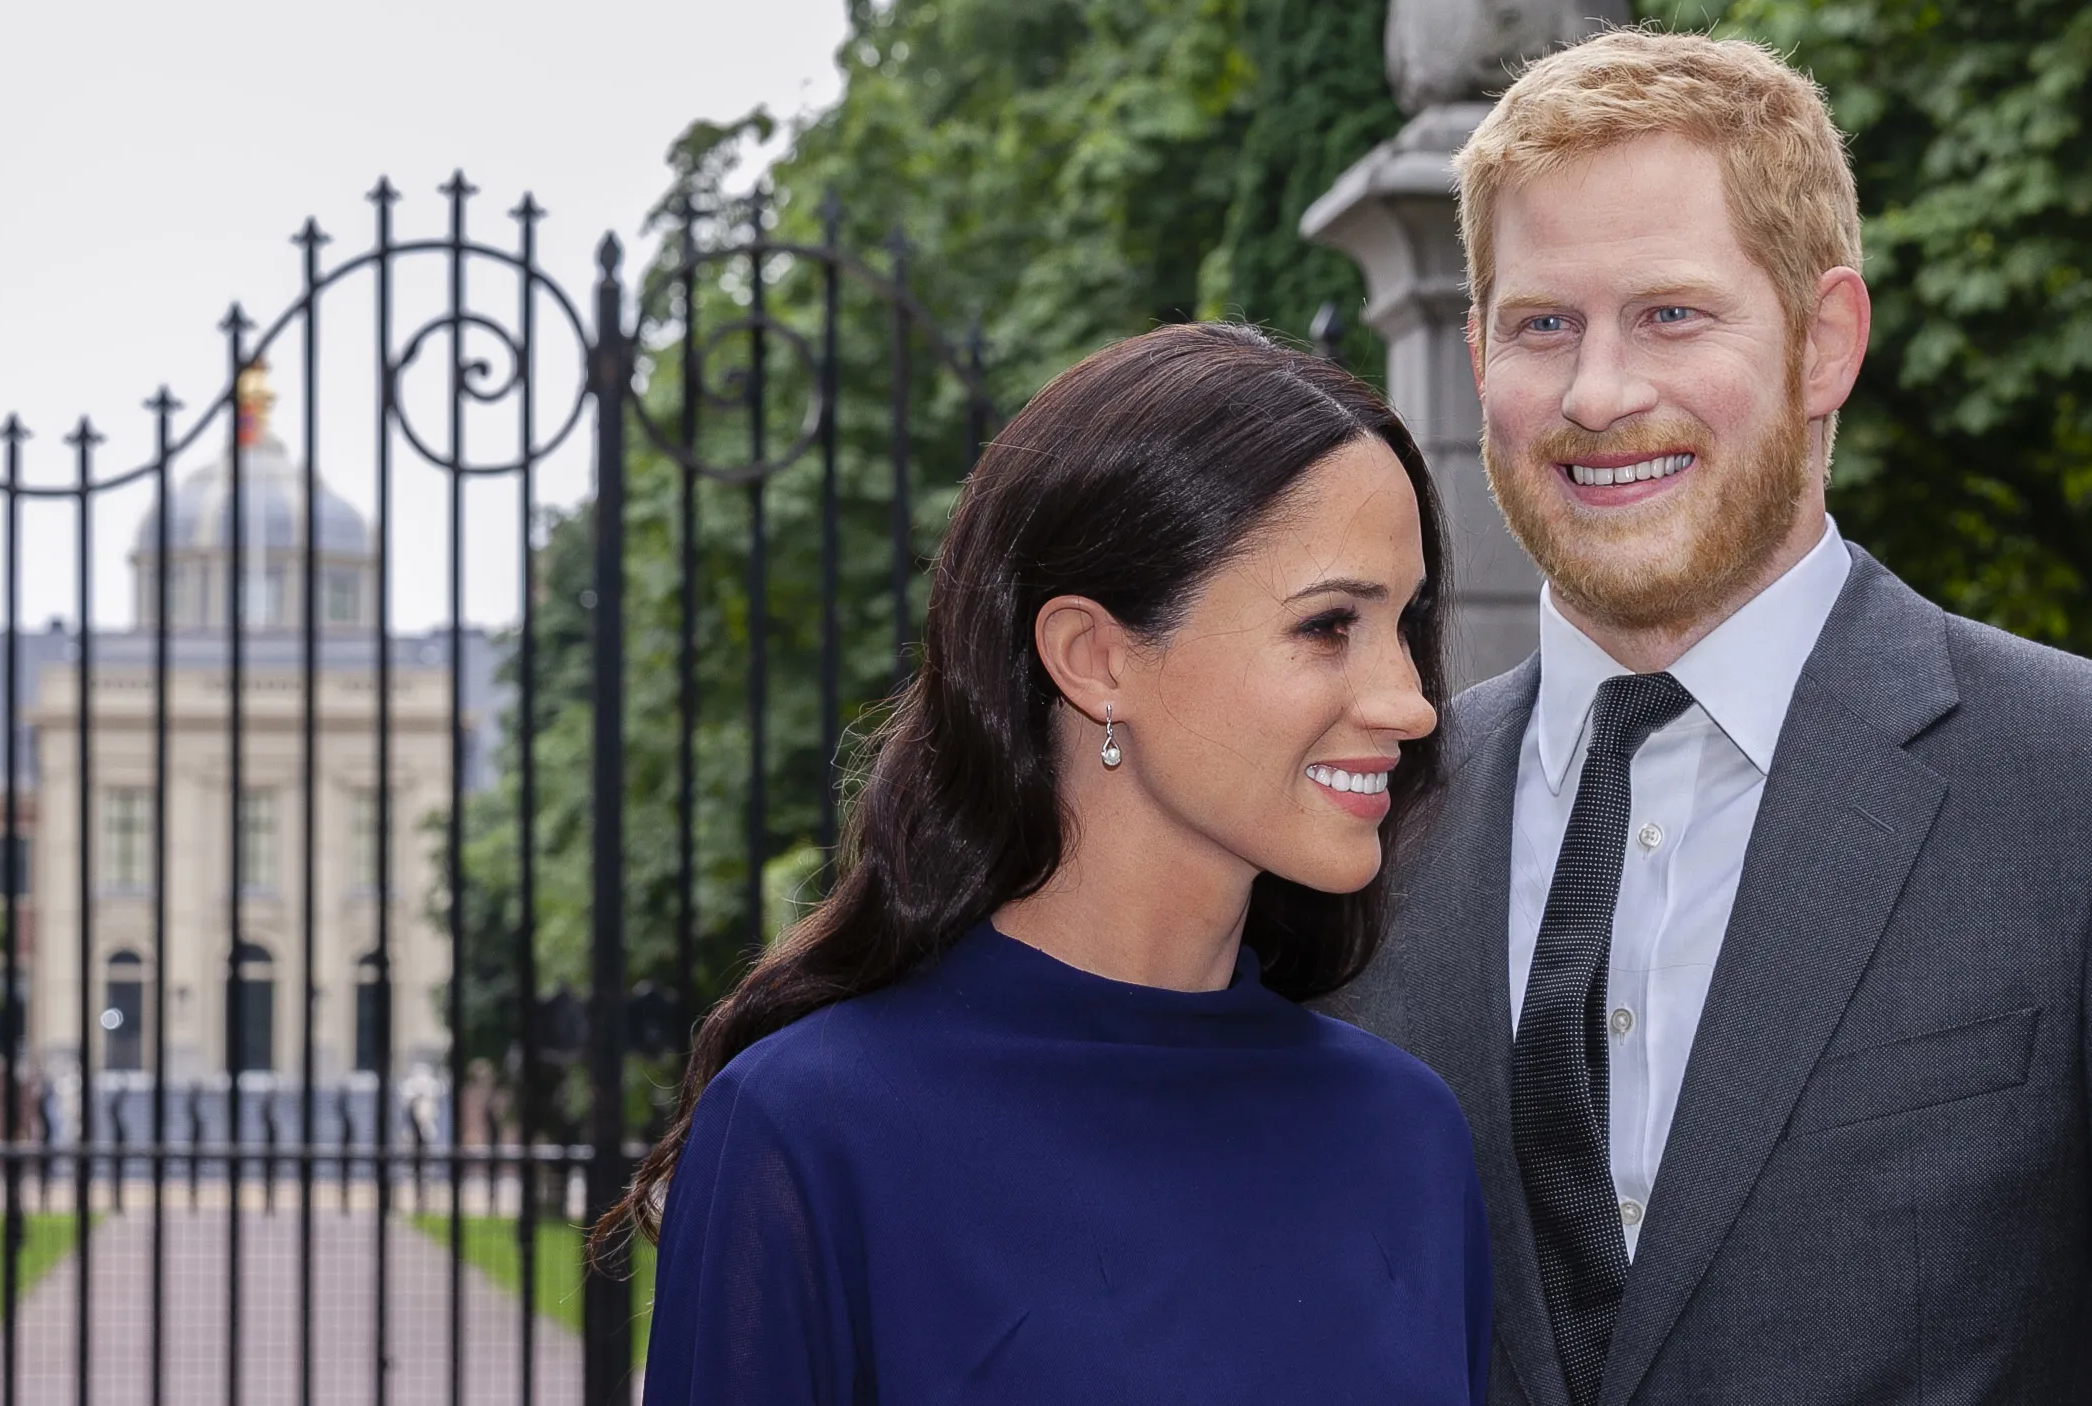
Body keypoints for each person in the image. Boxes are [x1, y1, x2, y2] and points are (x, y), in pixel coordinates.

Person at [1328, 30, 2092, 1405]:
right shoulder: (1374, 815)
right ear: (1478, 356)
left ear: (1827, 340)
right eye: (1545, 325)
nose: (1597, 393)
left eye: (1670, 313)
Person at [626, 322, 1492, 1404]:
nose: (1409, 700)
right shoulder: (810, 1133)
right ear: (1093, 658)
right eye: (1327, 626)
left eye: (1403, 625)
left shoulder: (1405, 1139)